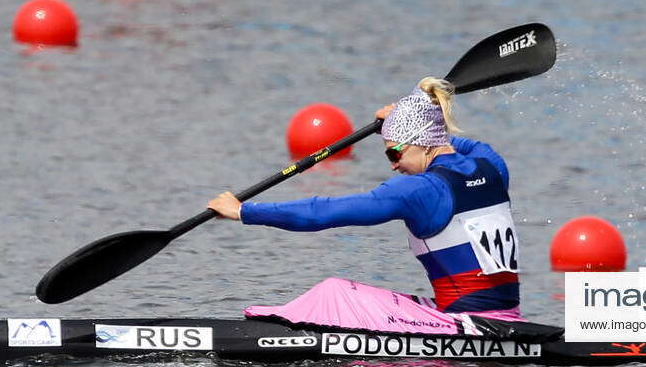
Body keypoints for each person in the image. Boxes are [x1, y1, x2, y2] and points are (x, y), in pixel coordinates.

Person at [207, 77, 522, 322]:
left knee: (334, 293)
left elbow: (324, 213)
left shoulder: (419, 191)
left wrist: (244, 211)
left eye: (393, 151)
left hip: (464, 322)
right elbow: (456, 143)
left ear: (421, 142)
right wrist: (407, 118)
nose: (393, 164)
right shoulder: (492, 165)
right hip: (509, 316)